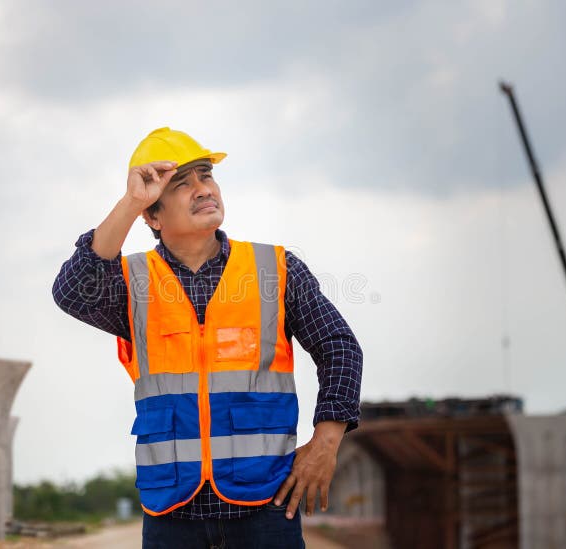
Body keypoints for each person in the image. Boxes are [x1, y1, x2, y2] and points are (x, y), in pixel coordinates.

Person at [52, 127, 363, 548]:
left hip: (266, 508)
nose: (202, 190)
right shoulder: (131, 283)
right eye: (182, 184)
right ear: (154, 216)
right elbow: (71, 290)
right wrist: (130, 203)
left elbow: (339, 347)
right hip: (171, 514)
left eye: (206, 176)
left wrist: (326, 443)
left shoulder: (275, 269)